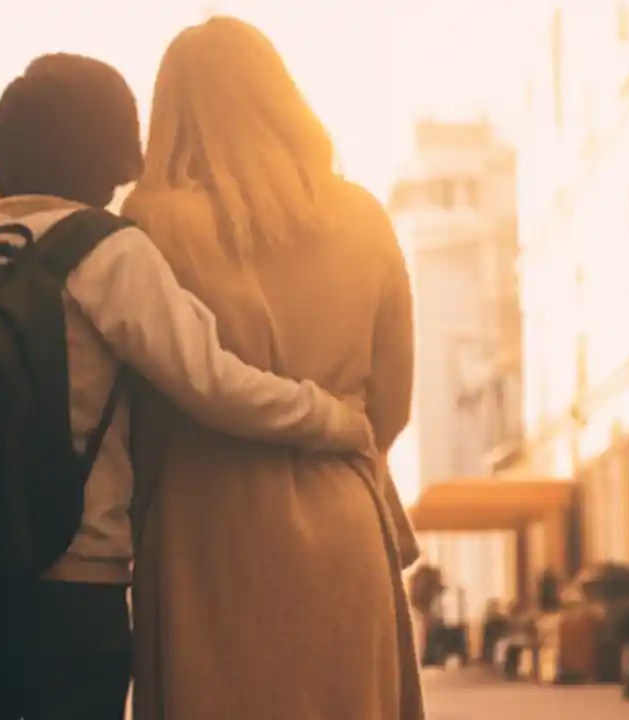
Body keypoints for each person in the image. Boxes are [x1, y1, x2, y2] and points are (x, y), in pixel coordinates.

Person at [0, 53, 375, 720]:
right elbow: (211, 383)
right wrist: (328, 417)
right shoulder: (109, 252)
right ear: (103, 154)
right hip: (73, 591)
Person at [122, 17, 425, 720]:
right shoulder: (363, 216)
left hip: (206, 529)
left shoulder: (150, 221)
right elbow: (395, 403)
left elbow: (137, 407)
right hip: (342, 513)